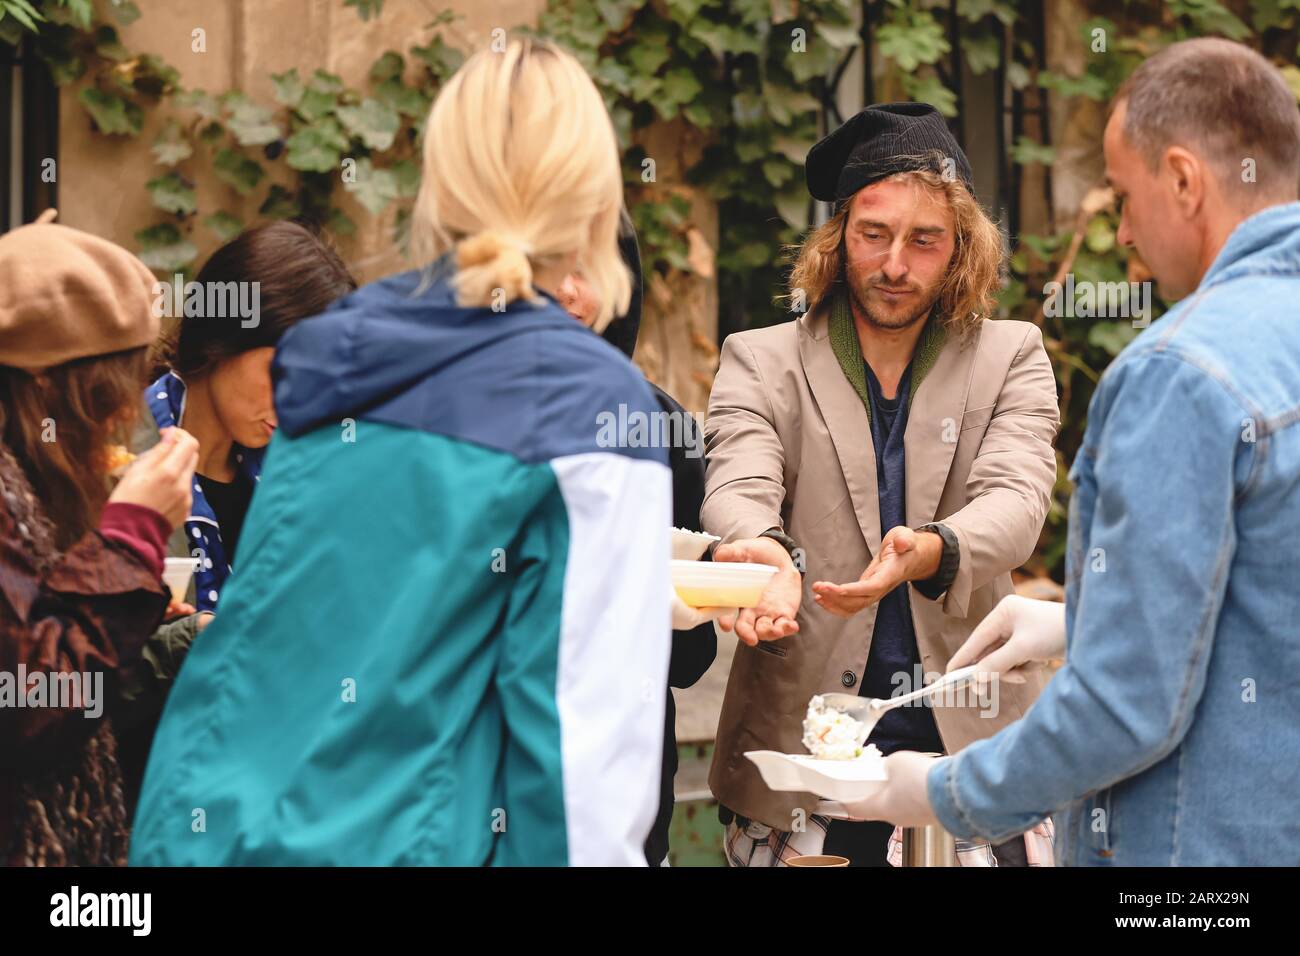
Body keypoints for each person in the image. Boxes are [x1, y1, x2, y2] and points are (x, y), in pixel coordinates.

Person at [129, 37, 672, 867]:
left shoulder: (334, 357)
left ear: (438, 186)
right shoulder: (588, 404)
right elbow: (580, 780)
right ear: (597, 201)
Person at [839, 38, 1300, 866]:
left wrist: (934, 791)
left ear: (1186, 181)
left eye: (1124, 196)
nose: (1121, 230)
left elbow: (1126, 708)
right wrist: (1074, 624)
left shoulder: (1181, 373)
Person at [702, 103, 1060, 866]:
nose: (895, 264)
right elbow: (738, 480)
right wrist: (758, 551)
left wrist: (933, 548)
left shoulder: (1012, 356)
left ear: (960, 248)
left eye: (924, 240)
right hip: (800, 787)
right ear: (838, 239)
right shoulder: (760, 359)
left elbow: (1018, 500)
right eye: (873, 235)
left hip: (974, 775)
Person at [114, 221, 356, 812]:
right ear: (223, 336)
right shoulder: (114, 460)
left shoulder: (304, 477)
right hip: (136, 821)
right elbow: (66, 688)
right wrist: (190, 644)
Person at [0, 217, 198, 865]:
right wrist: (130, 539)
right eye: (108, 394)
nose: (121, 416)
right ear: (44, 390)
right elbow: (33, 704)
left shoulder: (31, 483)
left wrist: (145, 618)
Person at [556, 214, 719, 866]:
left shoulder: (662, 429)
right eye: (545, 267)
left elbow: (689, 659)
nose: (568, 291)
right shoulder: (456, 424)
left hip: (625, 783)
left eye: (589, 269)